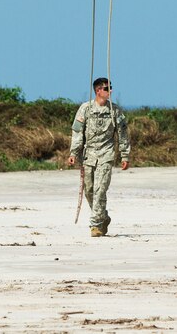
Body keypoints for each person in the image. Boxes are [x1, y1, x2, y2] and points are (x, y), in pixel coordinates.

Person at [67, 77, 131, 237]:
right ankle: (103, 217)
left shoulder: (114, 111)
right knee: (89, 191)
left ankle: (95, 225)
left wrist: (125, 155)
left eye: (110, 87)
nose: (110, 91)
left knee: (100, 191)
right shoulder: (86, 109)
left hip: (106, 155)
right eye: (107, 88)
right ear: (98, 91)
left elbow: (123, 134)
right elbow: (77, 132)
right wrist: (74, 152)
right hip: (88, 156)